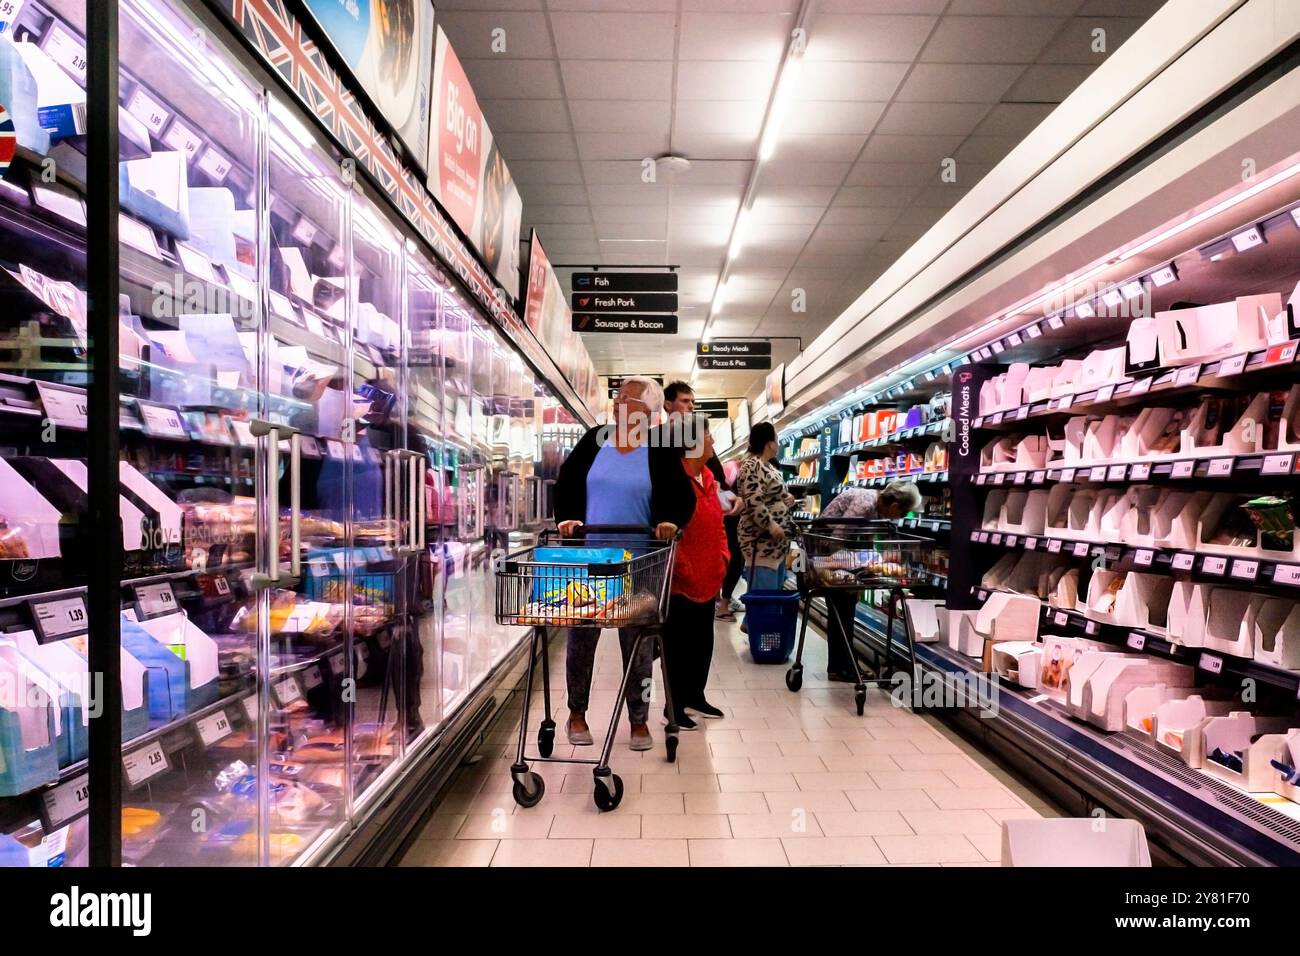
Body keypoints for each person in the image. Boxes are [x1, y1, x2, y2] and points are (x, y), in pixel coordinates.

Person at [553, 376, 696, 751]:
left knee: (639, 645)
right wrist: (566, 518)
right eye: (617, 397)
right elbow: (567, 481)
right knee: (581, 638)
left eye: (627, 398)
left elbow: (683, 498)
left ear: (648, 411)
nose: (618, 403)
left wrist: (670, 521)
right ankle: (576, 713)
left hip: (641, 562)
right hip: (590, 561)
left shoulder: (660, 450)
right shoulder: (595, 440)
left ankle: (639, 719)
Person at [659, 413, 729, 729]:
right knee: (677, 645)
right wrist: (683, 567)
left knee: (702, 642)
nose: (712, 440)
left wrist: (724, 558)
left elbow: (718, 524)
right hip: (682, 580)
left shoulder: (709, 479)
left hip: (710, 575)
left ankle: (695, 695)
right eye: (708, 435)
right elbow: (667, 531)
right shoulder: (673, 480)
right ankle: (674, 706)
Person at [818, 480, 924, 681]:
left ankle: (841, 667)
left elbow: (864, 543)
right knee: (842, 609)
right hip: (825, 554)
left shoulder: (875, 508)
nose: (902, 517)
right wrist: (851, 571)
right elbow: (836, 540)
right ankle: (844, 667)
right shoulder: (865, 504)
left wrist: (866, 570)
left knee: (843, 610)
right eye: (903, 513)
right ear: (894, 506)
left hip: (839, 557)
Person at [735, 421, 796, 633]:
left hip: (775, 545)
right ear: (769, 443)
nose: (778, 443)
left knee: (771, 591)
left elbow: (775, 495)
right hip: (760, 542)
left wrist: (788, 498)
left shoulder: (769, 466)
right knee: (764, 592)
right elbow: (753, 501)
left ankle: (754, 625)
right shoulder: (751, 465)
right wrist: (771, 525)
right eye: (776, 439)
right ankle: (761, 633)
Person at [717, 458, 745, 621]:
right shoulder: (732, 469)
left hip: (729, 521)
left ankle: (720, 600)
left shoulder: (730, 467)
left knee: (729, 560)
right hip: (730, 521)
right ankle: (722, 605)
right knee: (734, 560)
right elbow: (721, 490)